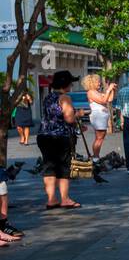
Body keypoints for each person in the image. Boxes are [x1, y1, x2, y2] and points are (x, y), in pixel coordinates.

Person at [37, 70, 83, 210]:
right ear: (66, 84)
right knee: (63, 167)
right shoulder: (64, 98)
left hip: (44, 135)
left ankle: (51, 199)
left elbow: (53, 117)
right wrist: (79, 114)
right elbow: (69, 118)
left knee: (49, 167)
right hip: (60, 137)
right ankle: (65, 199)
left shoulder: (48, 97)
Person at [82, 73, 116, 159]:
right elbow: (103, 101)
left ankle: (96, 156)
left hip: (101, 116)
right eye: (98, 82)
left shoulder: (97, 92)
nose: (100, 83)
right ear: (92, 83)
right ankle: (95, 157)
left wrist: (113, 90)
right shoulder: (91, 92)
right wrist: (108, 90)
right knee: (99, 137)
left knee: (100, 137)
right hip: (98, 117)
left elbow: (110, 99)